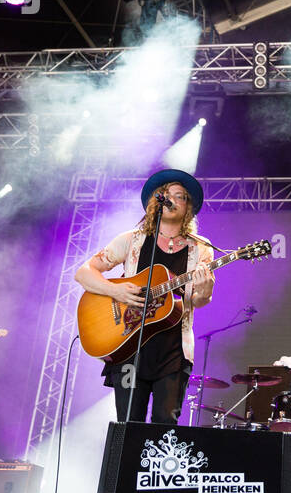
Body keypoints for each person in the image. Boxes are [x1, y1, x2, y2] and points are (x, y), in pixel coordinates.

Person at [75, 169, 215, 424]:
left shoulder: (201, 248)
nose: (172, 198)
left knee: (165, 426)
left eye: (180, 196)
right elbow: (84, 273)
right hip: (129, 346)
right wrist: (115, 290)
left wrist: (205, 293)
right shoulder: (131, 240)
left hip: (173, 351)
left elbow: (196, 300)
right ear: (155, 202)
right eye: (166, 194)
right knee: (128, 425)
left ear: (188, 208)